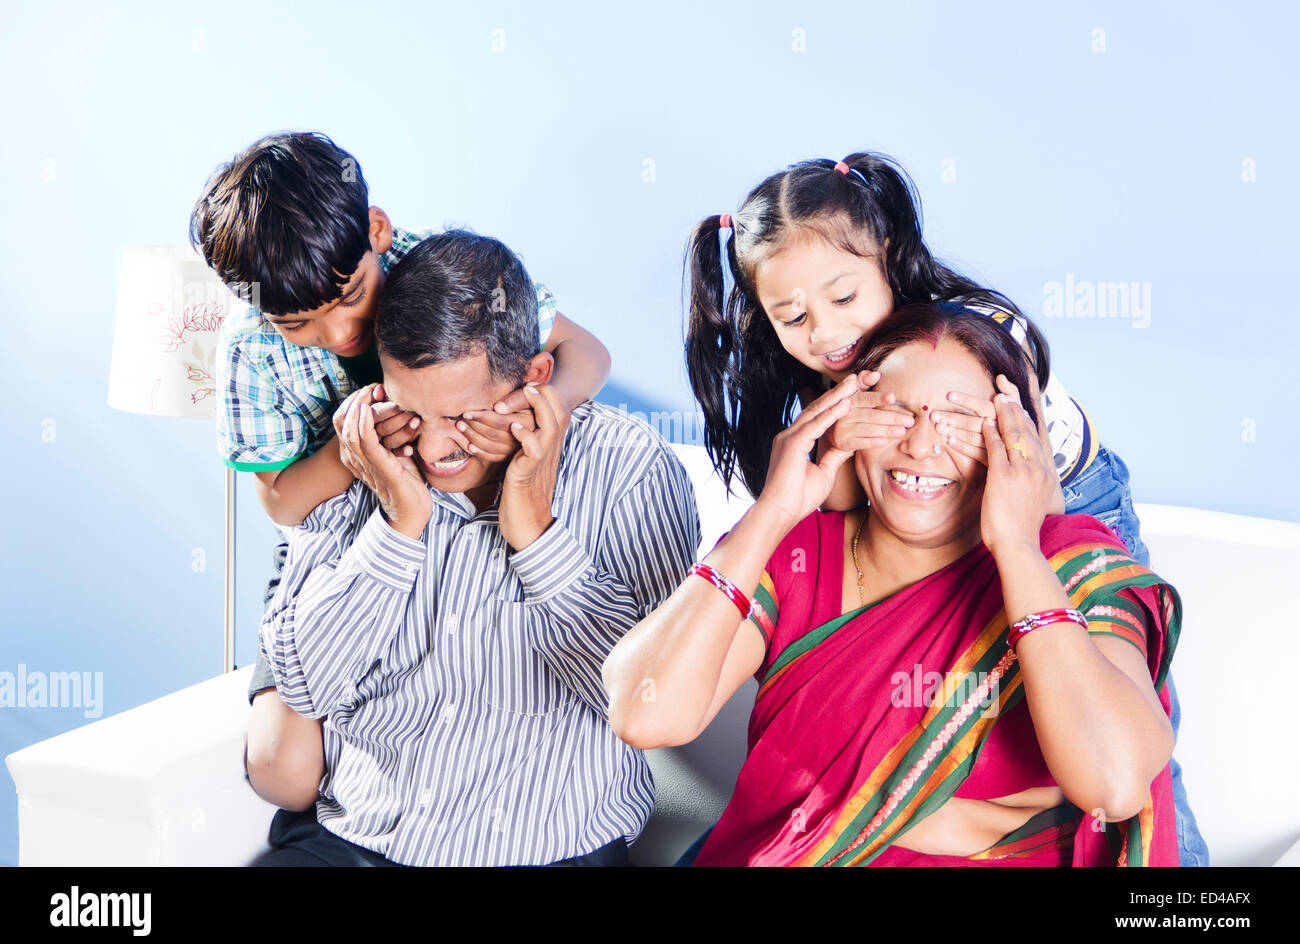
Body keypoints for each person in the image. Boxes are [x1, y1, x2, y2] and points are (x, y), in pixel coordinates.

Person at [682, 152, 1206, 865]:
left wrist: (1001, 537)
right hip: (942, 505)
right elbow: (837, 509)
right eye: (792, 315)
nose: (826, 332)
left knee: (1121, 701)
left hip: (1062, 490)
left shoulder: (982, 334)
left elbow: (1035, 501)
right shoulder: (826, 375)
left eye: (844, 297)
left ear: (888, 260)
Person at [604, 304, 1181, 866]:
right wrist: (773, 511)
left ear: (1014, 443)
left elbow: (1114, 785)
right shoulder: (797, 555)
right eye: (893, 413)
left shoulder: (1068, 565)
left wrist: (1018, 549)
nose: (921, 445)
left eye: (960, 423)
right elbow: (643, 715)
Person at [189, 132, 612, 811]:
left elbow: (586, 354)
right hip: (338, 538)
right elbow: (282, 505)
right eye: (300, 323)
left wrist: (534, 412)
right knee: (282, 774)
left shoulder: (451, 275)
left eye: (350, 295)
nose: (338, 333)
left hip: (469, 525)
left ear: (377, 231)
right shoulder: (250, 349)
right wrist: (348, 456)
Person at [254, 229, 699, 865]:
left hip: (550, 850)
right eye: (414, 413)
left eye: (464, 418)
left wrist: (535, 535)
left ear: (536, 376)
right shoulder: (363, 448)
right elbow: (306, 686)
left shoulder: (631, 469)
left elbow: (643, 701)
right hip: (355, 841)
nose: (434, 451)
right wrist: (397, 526)